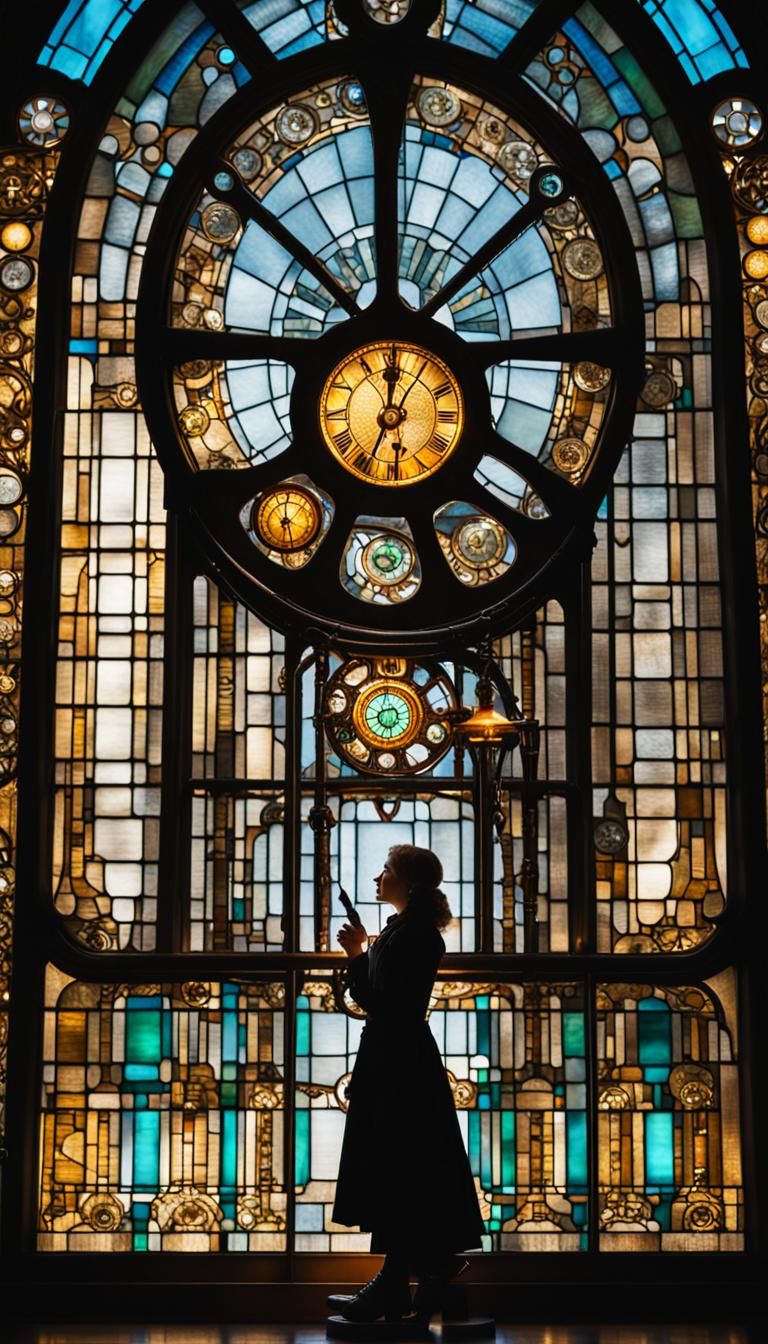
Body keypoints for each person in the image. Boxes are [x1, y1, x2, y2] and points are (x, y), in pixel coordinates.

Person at [329, 844, 485, 1323]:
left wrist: (357, 953)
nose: (378, 877)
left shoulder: (413, 935)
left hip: (398, 1063)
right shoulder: (406, 931)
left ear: (409, 884)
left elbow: (380, 1000)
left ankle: (404, 1281)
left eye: (387, 871)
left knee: (396, 1166)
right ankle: (427, 1274)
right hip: (400, 1058)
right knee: (406, 1168)